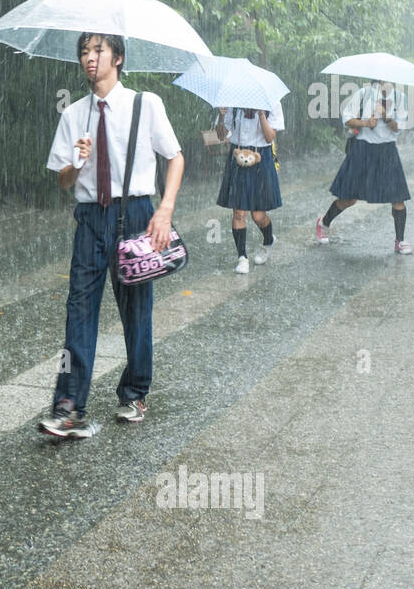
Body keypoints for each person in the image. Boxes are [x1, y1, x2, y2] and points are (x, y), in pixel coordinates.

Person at [38, 32, 184, 439]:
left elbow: (175, 157)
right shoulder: (72, 115)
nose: (89, 58)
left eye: (98, 50)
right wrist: (77, 162)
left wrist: (165, 210)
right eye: (84, 51)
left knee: (136, 310)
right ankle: (69, 406)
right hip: (88, 218)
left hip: (135, 213)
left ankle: (135, 391)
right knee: (78, 310)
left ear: (117, 58)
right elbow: (63, 182)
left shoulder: (144, 104)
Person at [314, 80, 412, 253]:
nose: (386, 83)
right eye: (383, 80)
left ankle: (400, 240)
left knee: (397, 198)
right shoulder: (363, 94)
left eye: (389, 80)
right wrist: (366, 123)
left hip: (387, 151)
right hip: (363, 149)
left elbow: (399, 128)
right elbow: (347, 119)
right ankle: (324, 223)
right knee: (349, 198)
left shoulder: (400, 98)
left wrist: (387, 117)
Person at [214, 103, 282, 273]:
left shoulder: (271, 102)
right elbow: (221, 135)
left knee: (258, 216)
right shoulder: (233, 102)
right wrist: (222, 116)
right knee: (239, 213)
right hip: (237, 157)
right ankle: (242, 257)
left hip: (261, 158)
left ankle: (268, 241)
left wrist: (261, 115)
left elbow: (269, 137)